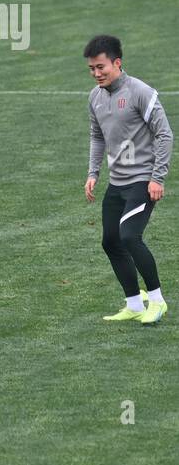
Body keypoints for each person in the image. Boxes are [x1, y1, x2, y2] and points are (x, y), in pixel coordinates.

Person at [85, 35, 171, 324]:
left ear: (117, 63)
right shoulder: (95, 97)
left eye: (101, 67)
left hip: (143, 181)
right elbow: (97, 136)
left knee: (129, 236)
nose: (97, 74)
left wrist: (157, 178)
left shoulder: (140, 92)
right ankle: (134, 303)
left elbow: (164, 134)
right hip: (117, 182)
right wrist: (93, 173)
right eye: (92, 69)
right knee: (110, 241)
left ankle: (157, 302)